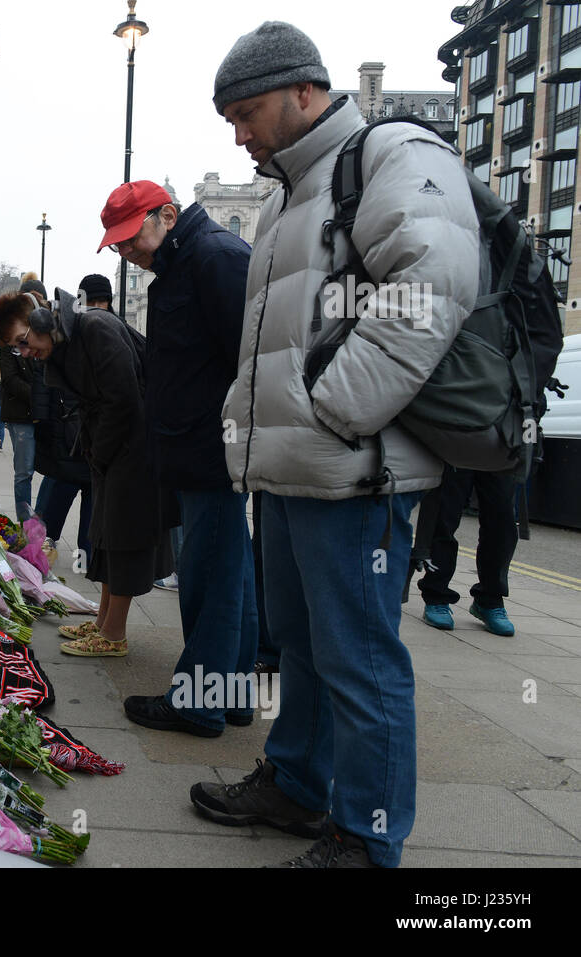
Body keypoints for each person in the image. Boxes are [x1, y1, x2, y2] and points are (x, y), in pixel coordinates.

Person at [188, 21, 479, 868]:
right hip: (288, 467)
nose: (239, 135)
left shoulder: (392, 154)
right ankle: (296, 783)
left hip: (354, 469)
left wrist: (338, 408)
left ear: (304, 92)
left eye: (247, 113)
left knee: (360, 659)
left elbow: (434, 281)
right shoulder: (284, 194)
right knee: (302, 645)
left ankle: (368, 835)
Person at [100, 179, 257, 738]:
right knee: (228, 574)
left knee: (209, 575)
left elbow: (248, 358)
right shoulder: (187, 259)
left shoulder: (214, 257)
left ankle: (199, 701)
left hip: (211, 445)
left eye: (129, 238)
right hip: (197, 442)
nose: (126, 252)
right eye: (116, 245)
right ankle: (232, 694)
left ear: (165, 215)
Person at [0, 288, 177, 657]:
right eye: (16, 348)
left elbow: (124, 403)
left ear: (43, 320)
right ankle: (104, 622)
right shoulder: (68, 342)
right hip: (113, 450)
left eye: (24, 342)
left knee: (123, 538)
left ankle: (114, 635)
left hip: (136, 449)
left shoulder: (96, 330)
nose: (25, 353)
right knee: (104, 535)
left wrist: (100, 450)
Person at [34, 274, 111, 565]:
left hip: (97, 444)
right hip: (69, 441)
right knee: (53, 509)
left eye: (102, 301)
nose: (96, 307)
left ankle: (88, 559)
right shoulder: (68, 338)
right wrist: (45, 427)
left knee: (92, 515)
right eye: (91, 301)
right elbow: (49, 388)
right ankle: (40, 553)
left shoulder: (112, 335)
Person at [413, 466, 520, 636]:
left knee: (502, 523)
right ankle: (436, 595)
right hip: (454, 445)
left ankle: (489, 599)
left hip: (497, 448)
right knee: (443, 516)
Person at [0, 274, 45, 520]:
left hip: (45, 413)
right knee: (24, 472)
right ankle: (26, 525)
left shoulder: (47, 333)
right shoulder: (10, 338)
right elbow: (10, 379)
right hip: (21, 415)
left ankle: (44, 524)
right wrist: (39, 397)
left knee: (56, 470)